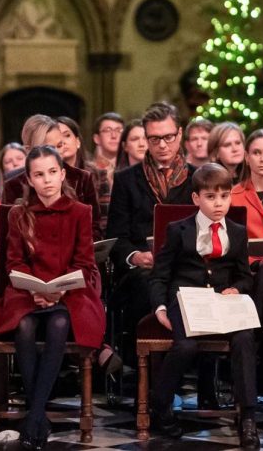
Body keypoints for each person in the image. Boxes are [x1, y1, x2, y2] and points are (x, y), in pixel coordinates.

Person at [0, 146, 105, 450]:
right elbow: (14, 262)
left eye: (51, 172)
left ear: (62, 174)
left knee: (59, 322)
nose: (46, 180)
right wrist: (35, 289)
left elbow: (84, 262)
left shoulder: (79, 212)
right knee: (25, 327)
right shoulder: (20, 214)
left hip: (69, 292)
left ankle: (33, 415)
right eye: (38, 174)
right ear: (29, 180)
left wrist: (59, 289)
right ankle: (37, 415)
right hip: (27, 292)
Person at [148, 163, 256, 446]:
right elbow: (160, 274)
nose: (218, 203)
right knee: (186, 345)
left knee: (245, 338)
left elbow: (245, 276)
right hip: (186, 298)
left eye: (224, 196)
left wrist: (237, 288)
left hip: (222, 300)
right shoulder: (177, 229)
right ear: (196, 198)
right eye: (210, 197)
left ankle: (247, 416)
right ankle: (159, 403)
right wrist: (160, 308)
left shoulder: (237, 231)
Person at [106, 101, 195, 365]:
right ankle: (147, 372)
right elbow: (116, 236)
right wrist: (135, 256)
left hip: (188, 268)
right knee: (147, 284)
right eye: (155, 139)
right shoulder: (126, 180)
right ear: (146, 139)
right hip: (142, 270)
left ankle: (181, 368)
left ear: (180, 135)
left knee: (187, 286)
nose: (162, 145)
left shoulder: (198, 178)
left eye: (168, 137)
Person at [230, 128, 263, 392]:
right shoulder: (233, 197)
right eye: (257, 153)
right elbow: (229, 246)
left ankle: (262, 350)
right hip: (248, 274)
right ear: (247, 158)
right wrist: (256, 260)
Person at [2, 114, 101, 240]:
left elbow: (94, 229)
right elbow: (9, 237)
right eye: (48, 148)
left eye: (59, 146)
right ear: (28, 150)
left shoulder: (82, 178)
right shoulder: (13, 186)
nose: (57, 153)